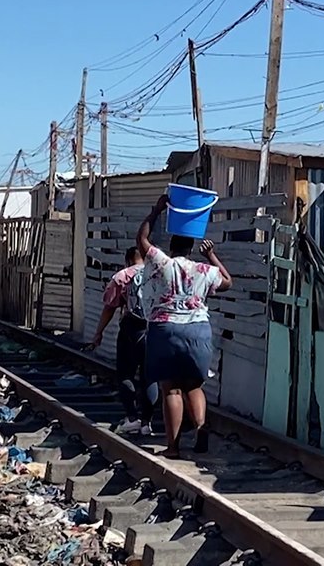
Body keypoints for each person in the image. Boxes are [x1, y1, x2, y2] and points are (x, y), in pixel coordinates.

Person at [136, 194, 232, 458]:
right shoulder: (203, 270)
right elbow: (227, 281)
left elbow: (141, 240)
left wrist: (155, 211)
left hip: (166, 330)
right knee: (194, 385)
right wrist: (211, 255)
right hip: (198, 331)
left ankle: (173, 447)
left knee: (171, 388)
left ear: (172, 245)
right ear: (191, 247)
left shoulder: (162, 262)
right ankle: (201, 431)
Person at [87, 246, 158, 435]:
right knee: (149, 377)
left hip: (131, 329)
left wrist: (98, 333)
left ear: (128, 260)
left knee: (126, 374)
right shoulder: (159, 273)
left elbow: (109, 307)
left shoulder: (122, 276)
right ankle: (146, 423)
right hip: (156, 329)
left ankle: (132, 418)